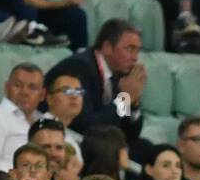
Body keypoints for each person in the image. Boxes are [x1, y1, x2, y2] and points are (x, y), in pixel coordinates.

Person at [46, 20, 147, 153]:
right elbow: (87, 127)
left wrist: (133, 102)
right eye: (130, 49)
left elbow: (129, 133)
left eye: (137, 51)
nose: (135, 58)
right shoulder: (78, 68)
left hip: (97, 144)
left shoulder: (119, 75)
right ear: (107, 47)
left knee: (145, 148)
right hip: (65, 141)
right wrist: (125, 98)